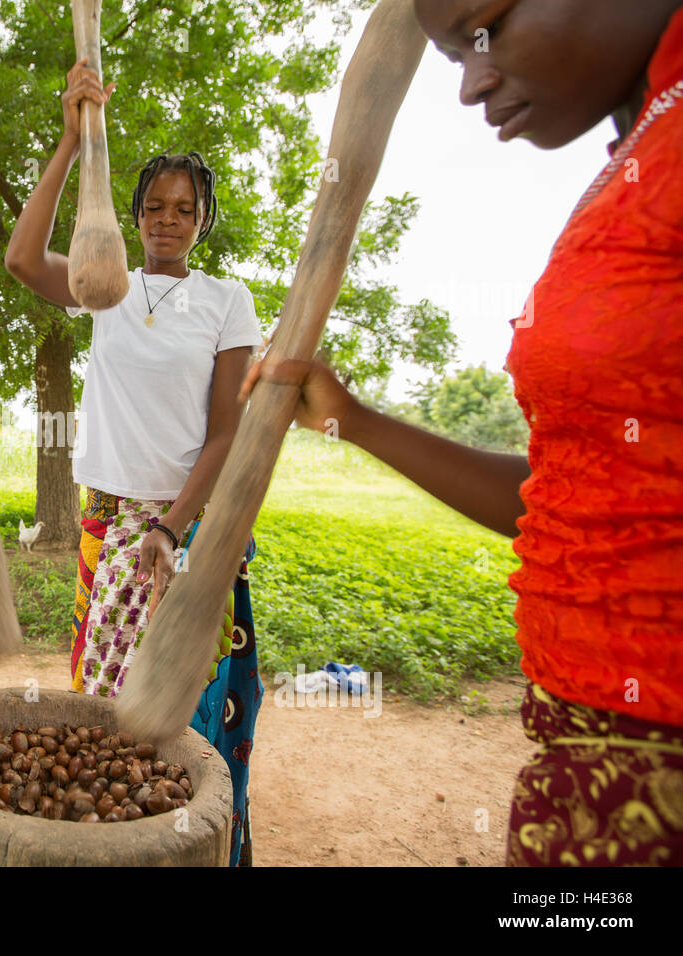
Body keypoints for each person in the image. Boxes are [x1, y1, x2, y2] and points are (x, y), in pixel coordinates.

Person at [241, 0, 683, 865]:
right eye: (451, 59)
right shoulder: (642, 146)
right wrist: (355, 424)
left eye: (490, 26)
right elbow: (581, 507)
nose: (475, 84)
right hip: (588, 762)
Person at [5, 61, 264, 865]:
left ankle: (188, 850)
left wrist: (170, 528)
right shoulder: (105, 284)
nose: (167, 219)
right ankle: (109, 846)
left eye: (185, 209)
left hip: (187, 534)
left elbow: (225, 434)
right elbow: (21, 258)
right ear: (132, 215)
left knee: (184, 717)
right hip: (107, 523)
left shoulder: (226, 301)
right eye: (153, 206)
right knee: (103, 715)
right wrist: (70, 142)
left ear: (203, 221)